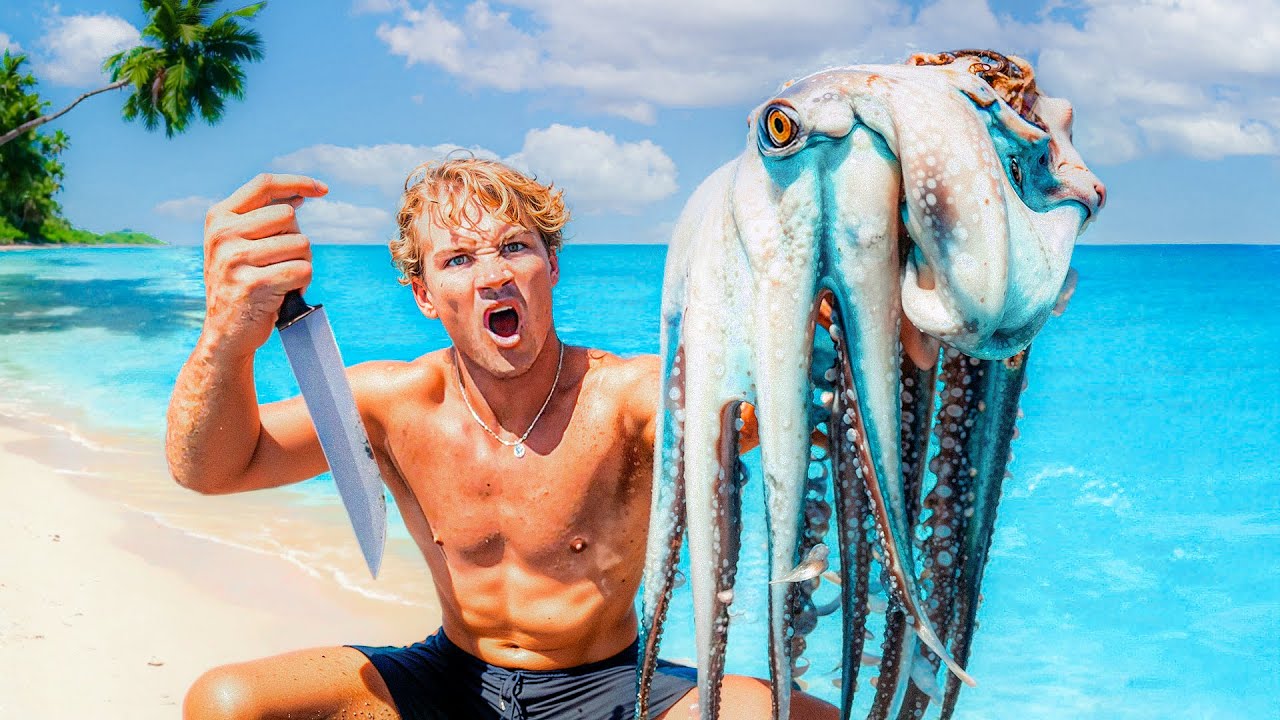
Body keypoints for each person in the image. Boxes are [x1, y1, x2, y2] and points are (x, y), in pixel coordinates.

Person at [166, 159, 840, 719]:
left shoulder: (625, 394)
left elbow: (739, 418)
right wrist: (229, 331)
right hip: (452, 676)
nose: (493, 273)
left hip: (610, 684)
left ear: (551, 267)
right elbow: (213, 468)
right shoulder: (391, 401)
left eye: (515, 246)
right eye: (458, 258)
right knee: (227, 703)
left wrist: (811, 322)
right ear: (425, 294)